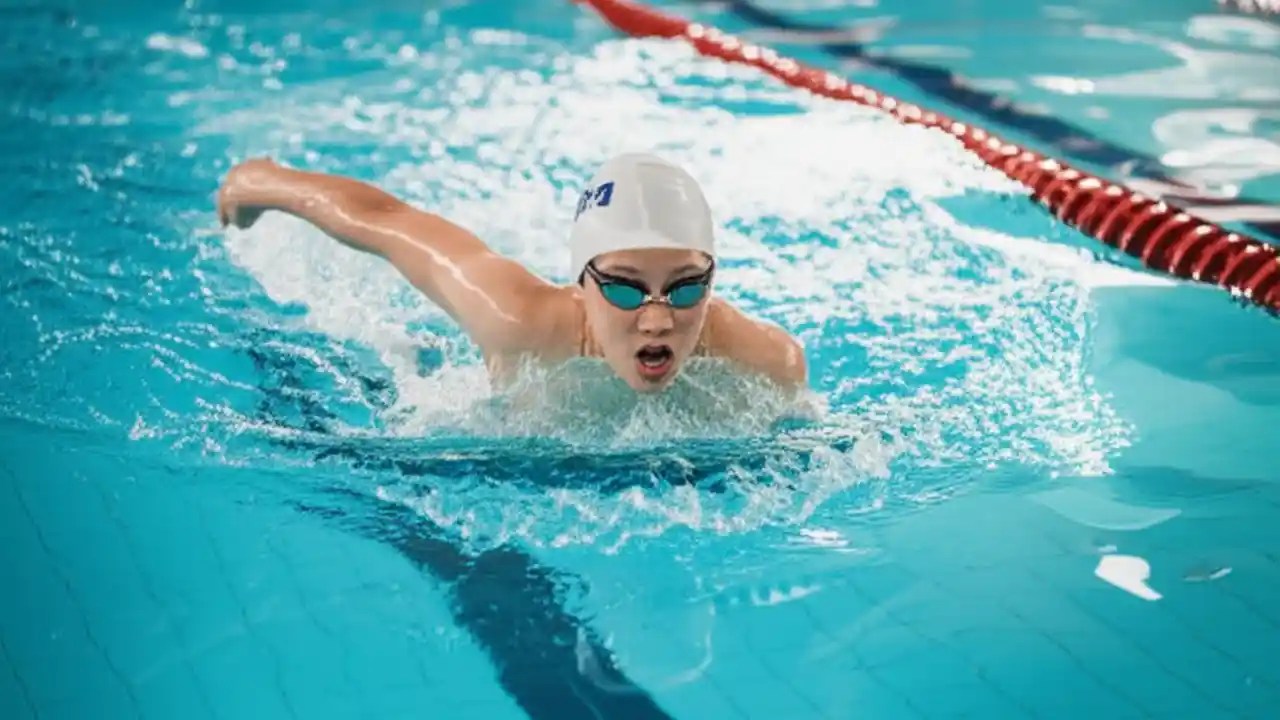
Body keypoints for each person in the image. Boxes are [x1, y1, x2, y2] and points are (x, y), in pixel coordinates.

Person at [216, 152, 807, 394]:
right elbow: (387, 223)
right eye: (626, 287)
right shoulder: (515, 319)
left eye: (685, 287)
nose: (657, 318)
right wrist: (263, 184)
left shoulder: (767, 365)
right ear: (582, 282)